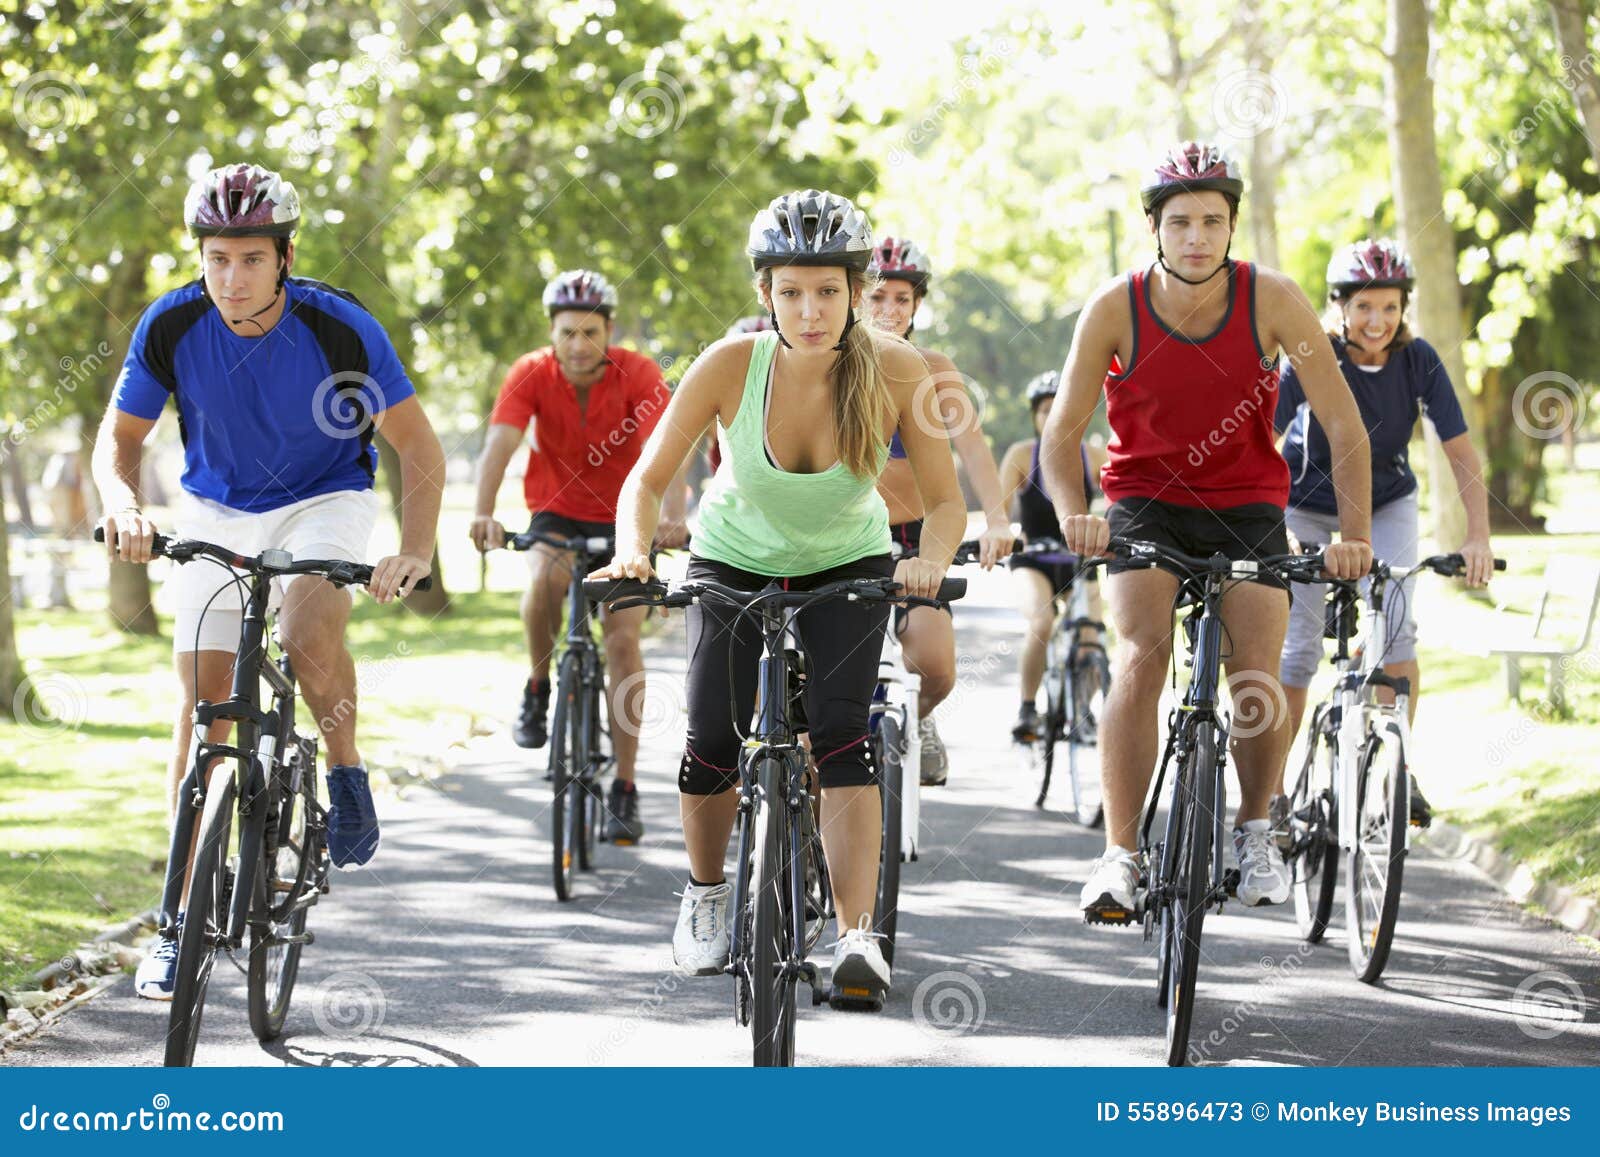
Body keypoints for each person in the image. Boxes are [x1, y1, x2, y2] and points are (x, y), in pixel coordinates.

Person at [589, 189, 964, 1007]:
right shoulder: (731, 364)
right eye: (791, 291)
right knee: (712, 738)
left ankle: (857, 934)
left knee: (839, 737)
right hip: (732, 558)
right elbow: (648, 479)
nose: (811, 309)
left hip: (847, 564)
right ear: (765, 293)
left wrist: (928, 562)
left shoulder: (899, 367)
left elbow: (944, 503)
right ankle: (708, 891)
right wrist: (631, 550)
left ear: (858, 291)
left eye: (828, 290)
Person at [93, 162, 445, 999]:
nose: (231, 278)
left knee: (303, 631)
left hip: (327, 497)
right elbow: (119, 442)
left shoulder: (342, 329)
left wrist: (416, 551)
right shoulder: (172, 324)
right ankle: (176, 923)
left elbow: (420, 449)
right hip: (215, 509)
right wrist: (125, 507)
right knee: (202, 715)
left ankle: (347, 766)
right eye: (217, 259)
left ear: (286, 255)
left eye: (250, 258)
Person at [1040, 141, 1373, 915]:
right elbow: (1062, 435)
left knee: (1255, 666)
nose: (1197, 236)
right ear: (1154, 226)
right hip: (1144, 499)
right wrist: (1073, 515)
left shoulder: (1274, 300)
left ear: (1232, 226)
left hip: (1248, 503)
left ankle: (1256, 828)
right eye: (1181, 221)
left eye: (1213, 221)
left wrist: (1352, 532)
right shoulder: (1114, 306)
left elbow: (1342, 420)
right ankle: (1120, 854)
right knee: (1139, 654)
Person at [1273, 239, 1494, 829]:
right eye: (1365, 306)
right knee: (1297, 646)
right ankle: (1271, 792)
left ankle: (1397, 764)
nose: (1378, 321)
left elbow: (1460, 452)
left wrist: (1478, 535)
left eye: (1391, 308)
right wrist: (1273, 526)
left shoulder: (1418, 360)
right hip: (1305, 507)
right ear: (1340, 306)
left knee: (1397, 631)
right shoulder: (1310, 356)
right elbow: (1258, 443)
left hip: (1387, 502)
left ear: (1404, 310)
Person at [469, 270, 686, 845]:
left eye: (590, 332)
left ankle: (627, 787)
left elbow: (671, 448)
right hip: (557, 511)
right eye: (567, 332)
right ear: (552, 331)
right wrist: (484, 511)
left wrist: (670, 517)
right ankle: (539, 685)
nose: (577, 344)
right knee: (542, 579)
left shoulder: (638, 374)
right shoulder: (530, 373)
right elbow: (500, 444)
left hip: (627, 517)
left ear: (610, 330)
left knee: (622, 640)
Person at [865, 236, 1015, 785]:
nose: (890, 311)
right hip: (842, 540)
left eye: (902, 300)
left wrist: (997, 521)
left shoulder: (933, 367)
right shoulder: (831, 364)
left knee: (937, 669)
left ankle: (917, 722)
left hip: (914, 540)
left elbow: (973, 449)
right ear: (857, 297)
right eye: (878, 298)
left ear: (917, 307)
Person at [997, 371, 1104, 741]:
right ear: (1034, 416)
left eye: (1060, 407)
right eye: (1044, 410)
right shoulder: (1021, 456)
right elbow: (999, 509)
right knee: (1041, 623)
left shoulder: (1092, 457)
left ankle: (1083, 710)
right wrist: (1004, 537)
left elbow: (1125, 501)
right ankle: (1028, 709)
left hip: (1079, 560)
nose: (1052, 415)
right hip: (1035, 560)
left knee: (1091, 636)